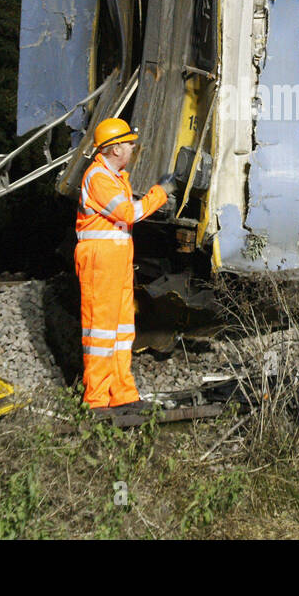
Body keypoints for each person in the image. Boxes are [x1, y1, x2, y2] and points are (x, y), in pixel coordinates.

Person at [75, 117, 177, 416]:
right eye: (129, 143)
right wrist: (162, 191)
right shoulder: (98, 178)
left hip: (115, 262)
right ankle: (96, 400)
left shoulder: (115, 176)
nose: (133, 147)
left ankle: (122, 394)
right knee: (100, 331)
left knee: (121, 331)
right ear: (115, 148)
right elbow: (128, 212)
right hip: (100, 262)